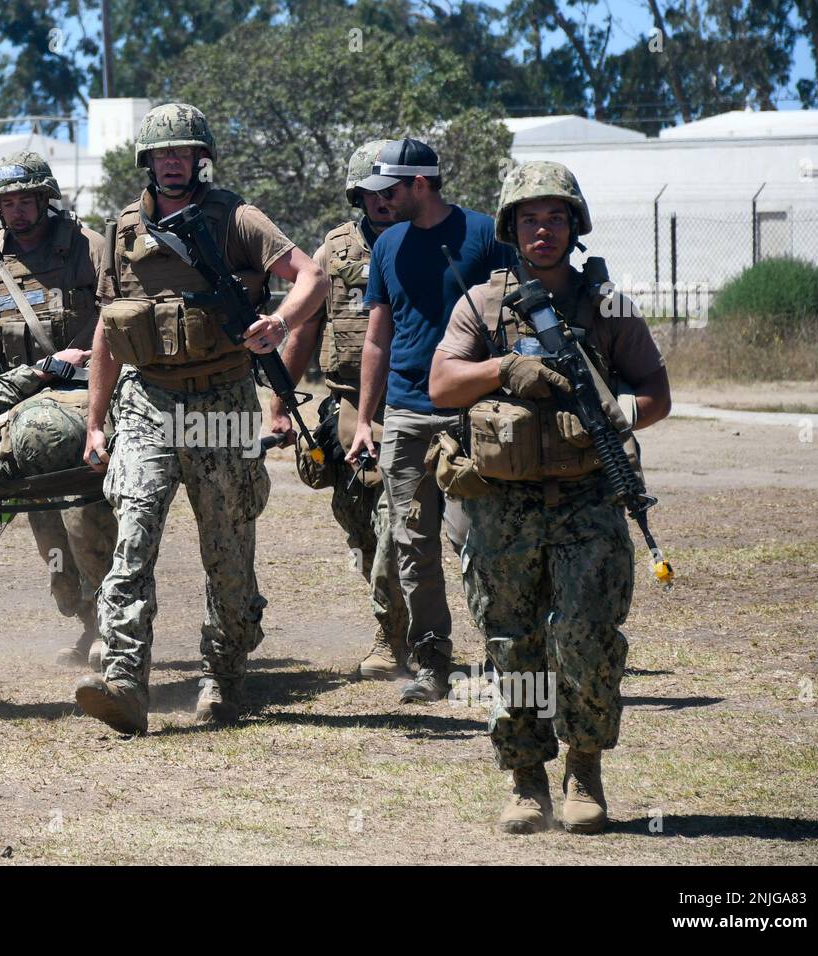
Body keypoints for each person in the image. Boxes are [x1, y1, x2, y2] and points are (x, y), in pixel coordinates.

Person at [429, 160, 671, 834]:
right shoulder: (480, 304)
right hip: (501, 504)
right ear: (512, 227)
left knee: (589, 633)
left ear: (574, 225)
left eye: (556, 216)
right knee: (512, 642)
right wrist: (504, 368)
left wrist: (610, 410)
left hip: (589, 495)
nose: (544, 229)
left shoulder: (607, 306)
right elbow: (442, 386)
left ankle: (584, 770)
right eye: (531, 218)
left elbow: (657, 392)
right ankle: (526, 780)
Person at [73, 103, 329, 734]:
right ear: (148, 162)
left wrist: (281, 321)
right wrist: (97, 421)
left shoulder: (236, 218)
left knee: (227, 544)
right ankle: (126, 679)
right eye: (164, 154)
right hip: (147, 402)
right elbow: (108, 331)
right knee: (132, 535)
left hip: (221, 400)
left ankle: (223, 669)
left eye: (185, 153)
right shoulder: (121, 232)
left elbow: (311, 275)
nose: (175, 162)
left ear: (201, 158)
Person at [346, 138, 514, 703]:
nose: (380, 203)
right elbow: (377, 338)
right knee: (413, 544)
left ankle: (505, 657)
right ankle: (431, 663)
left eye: (388, 191)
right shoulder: (387, 245)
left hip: (473, 414)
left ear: (420, 184)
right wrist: (367, 419)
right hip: (406, 414)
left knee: (484, 541)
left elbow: (517, 316)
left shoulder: (486, 234)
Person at [0, 151, 117, 669]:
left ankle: (112, 625)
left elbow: (119, 311)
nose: (17, 212)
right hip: (16, 407)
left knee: (86, 516)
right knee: (49, 531)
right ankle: (85, 618)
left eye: (26, 200)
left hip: (85, 396)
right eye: (7, 203)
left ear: (45, 199)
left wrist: (86, 362)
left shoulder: (87, 248)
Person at [272, 138, 410, 679]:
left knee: (391, 515)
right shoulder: (334, 251)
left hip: (409, 401)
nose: (380, 201)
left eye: (389, 190)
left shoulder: (425, 245)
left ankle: (393, 636)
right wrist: (279, 403)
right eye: (369, 192)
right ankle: (401, 621)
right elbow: (306, 329)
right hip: (345, 401)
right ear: (357, 195)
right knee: (358, 522)